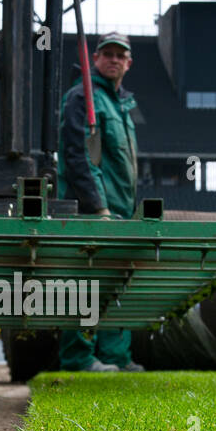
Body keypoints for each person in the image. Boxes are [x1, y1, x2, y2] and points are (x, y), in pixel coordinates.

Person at [56, 31, 143, 372]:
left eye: (120, 55)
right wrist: (99, 208)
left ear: (128, 63)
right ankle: (78, 358)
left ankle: (115, 357)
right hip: (90, 210)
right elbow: (77, 156)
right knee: (83, 281)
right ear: (95, 59)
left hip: (118, 209)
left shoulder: (120, 104)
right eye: (107, 54)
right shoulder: (82, 97)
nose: (113, 59)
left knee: (115, 283)